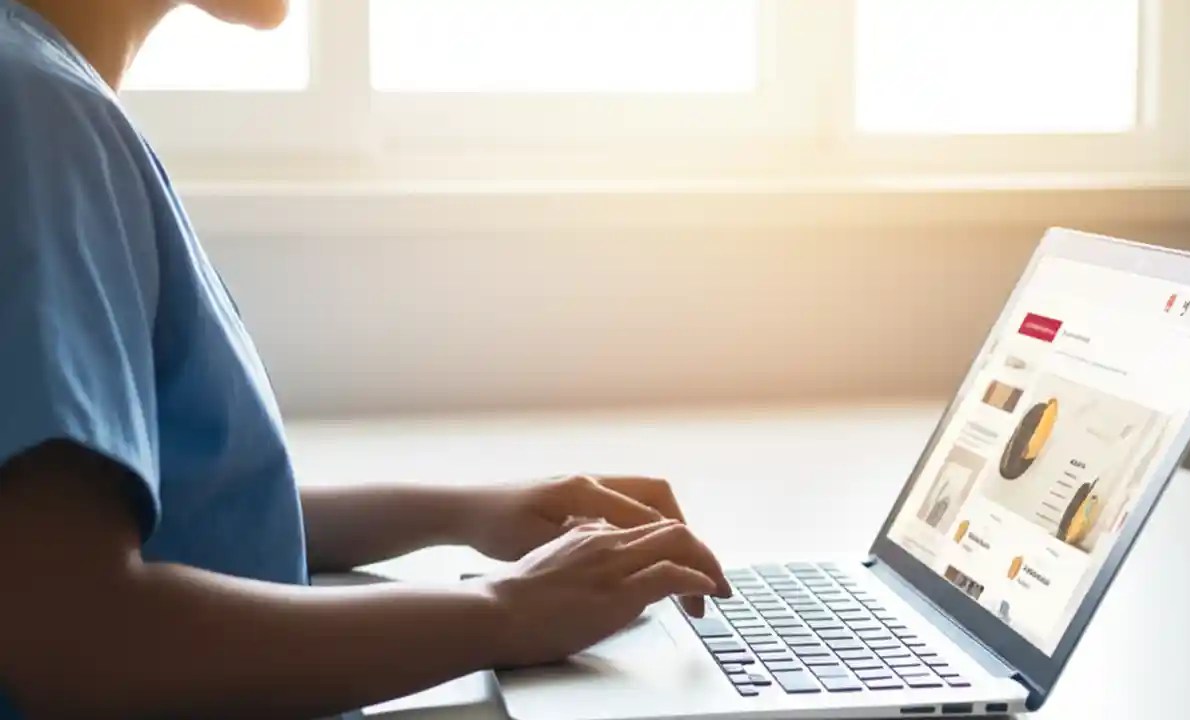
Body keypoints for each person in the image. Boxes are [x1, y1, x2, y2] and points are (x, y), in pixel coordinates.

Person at [0, 1, 731, 718]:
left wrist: (461, 513)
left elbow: (197, 518)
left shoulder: (44, 92)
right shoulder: (39, 115)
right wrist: (507, 610)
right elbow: (78, 639)